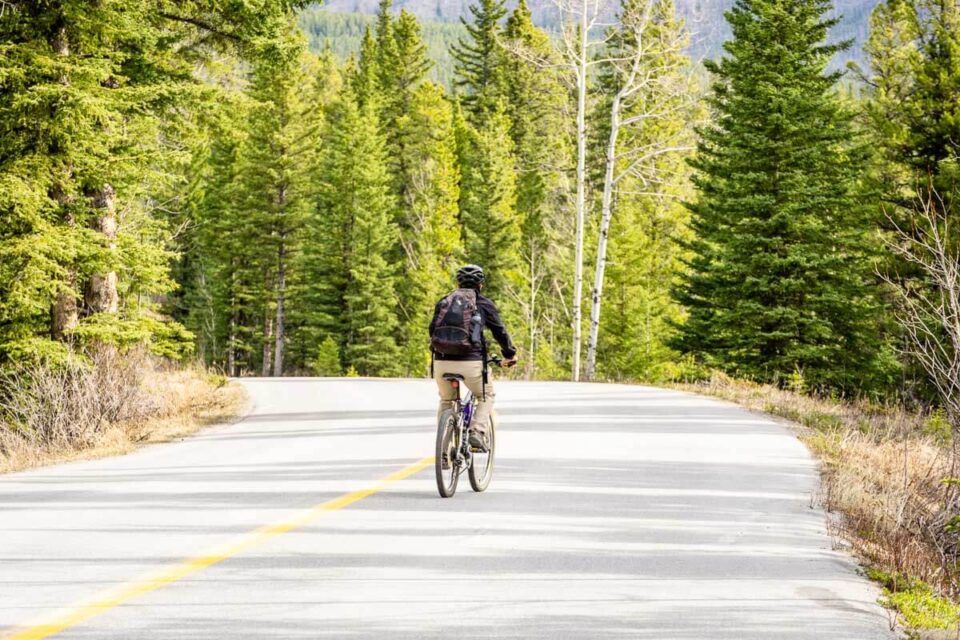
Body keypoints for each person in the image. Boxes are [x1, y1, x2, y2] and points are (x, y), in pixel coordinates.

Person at [429, 264, 517, 452]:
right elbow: (500, 332)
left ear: (457, 283)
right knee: (486, 395)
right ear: (480, 285)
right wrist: (509, 354)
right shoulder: (483, 304)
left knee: (446, 401)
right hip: (471, 363)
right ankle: (477, 431)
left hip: (441, 361)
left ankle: (443, 451)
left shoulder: (444, 301)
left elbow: (432, 330)